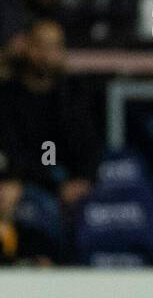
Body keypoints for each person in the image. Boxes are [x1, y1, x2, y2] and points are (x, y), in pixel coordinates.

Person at [0, 19, 100, 205]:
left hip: (71, 182)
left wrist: (83, 179)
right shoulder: (8, 95)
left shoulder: (72, 93)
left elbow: (88, 144)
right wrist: (54, 184)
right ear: (26, 46)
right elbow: (13, 153)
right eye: (41, 46)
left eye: (55, 47)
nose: (47, 55)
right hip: (27, 183)